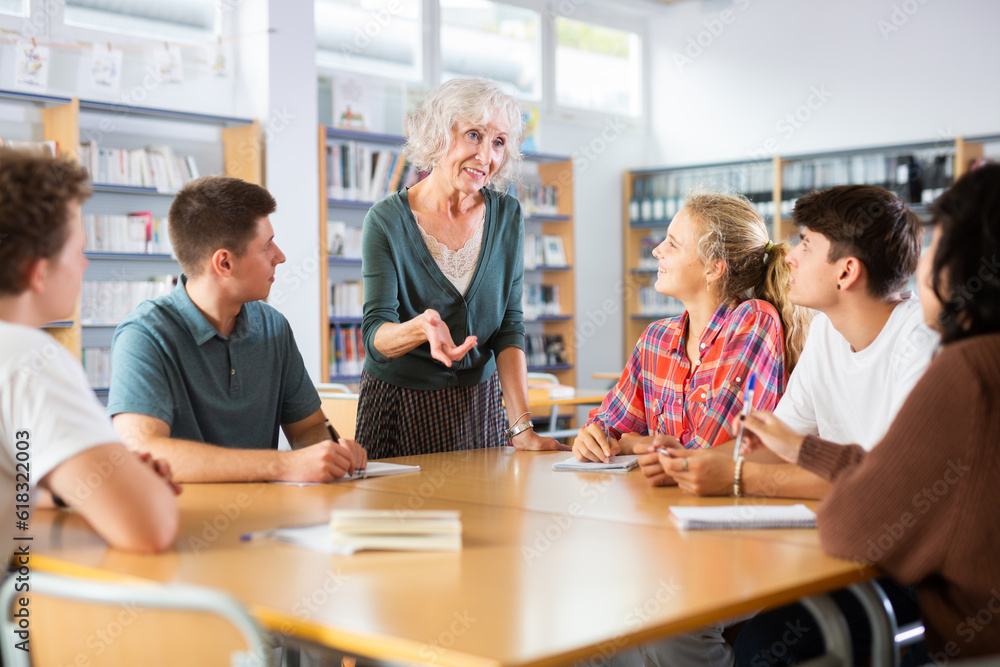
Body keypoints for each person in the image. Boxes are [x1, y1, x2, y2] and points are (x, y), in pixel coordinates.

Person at [734, 163, 1000, 665]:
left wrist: (772, 470)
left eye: (934, 249)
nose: (918, 268)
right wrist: (798, 454)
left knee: (763, 643)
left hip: (957, 623)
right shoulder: (973, 362)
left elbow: (857, 523)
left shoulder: (964, 368)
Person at [661, 184, 937, 499]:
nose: (790, 257)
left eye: (805, 245)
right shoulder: (825, 332)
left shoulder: (921, 343)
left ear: (846, 272)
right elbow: (783, 446)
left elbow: (890, 480)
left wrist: (739, 478)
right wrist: (685, 461)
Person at [108, 176, 366, 483]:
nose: (280, 257)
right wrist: (283, 466)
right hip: (185, 523)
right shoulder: (145, 336)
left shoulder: (273, 327)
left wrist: (330, 453)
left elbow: (308, 428)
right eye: (267, 246)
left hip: (266, 520)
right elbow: (142, 451)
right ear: (225, 264)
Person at [356, 77, 564, 457]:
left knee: (483, 515)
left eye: (498, 142)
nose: (487, 157)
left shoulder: (507, 216)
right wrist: (419, 328)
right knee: (406, 517)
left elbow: (509, 327)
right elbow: (375, 335)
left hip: (478, 406)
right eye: (473, 135)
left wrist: (521, 428)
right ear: (437, 135)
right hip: (401, 406)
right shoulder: (385, 221)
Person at [0, 148, 178, 560]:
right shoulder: (27, 357)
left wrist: (93, 482)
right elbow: (150, 527)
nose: (84, 266)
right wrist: (140, 489)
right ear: (37, 271)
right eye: (77, 250)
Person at [573, 193, 809, 474]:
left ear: (713, 268)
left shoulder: (754, 321)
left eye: (672, 243)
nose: (657, 250)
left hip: (725, 510)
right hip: (660, 507)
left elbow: (709, 452)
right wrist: (593, 437)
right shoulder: (655, 339)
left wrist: (636, 445)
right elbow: (608, 425)